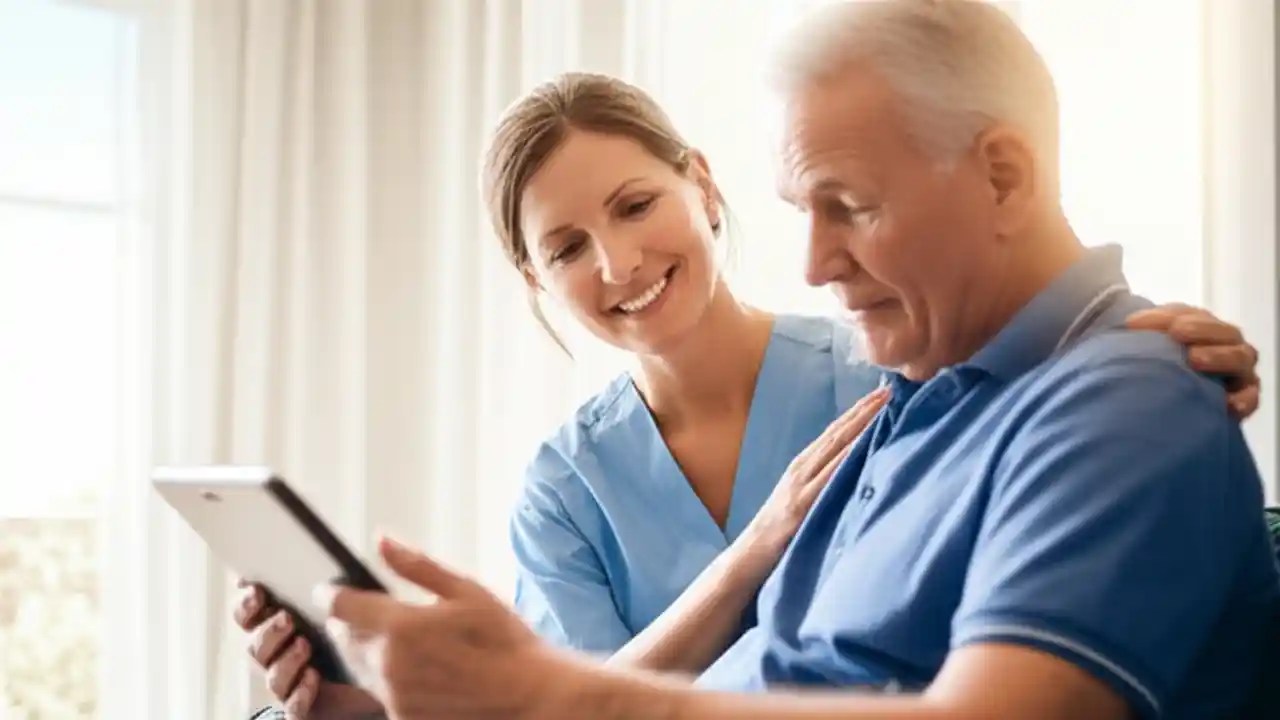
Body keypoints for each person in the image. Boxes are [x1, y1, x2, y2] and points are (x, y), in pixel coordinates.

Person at [238, 4, 1273, 718]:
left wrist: (1118, 369)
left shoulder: (1027, 388)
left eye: (850, 207)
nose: (817, 263)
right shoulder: (913, 388)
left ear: (697, 185)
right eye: (564, 248)